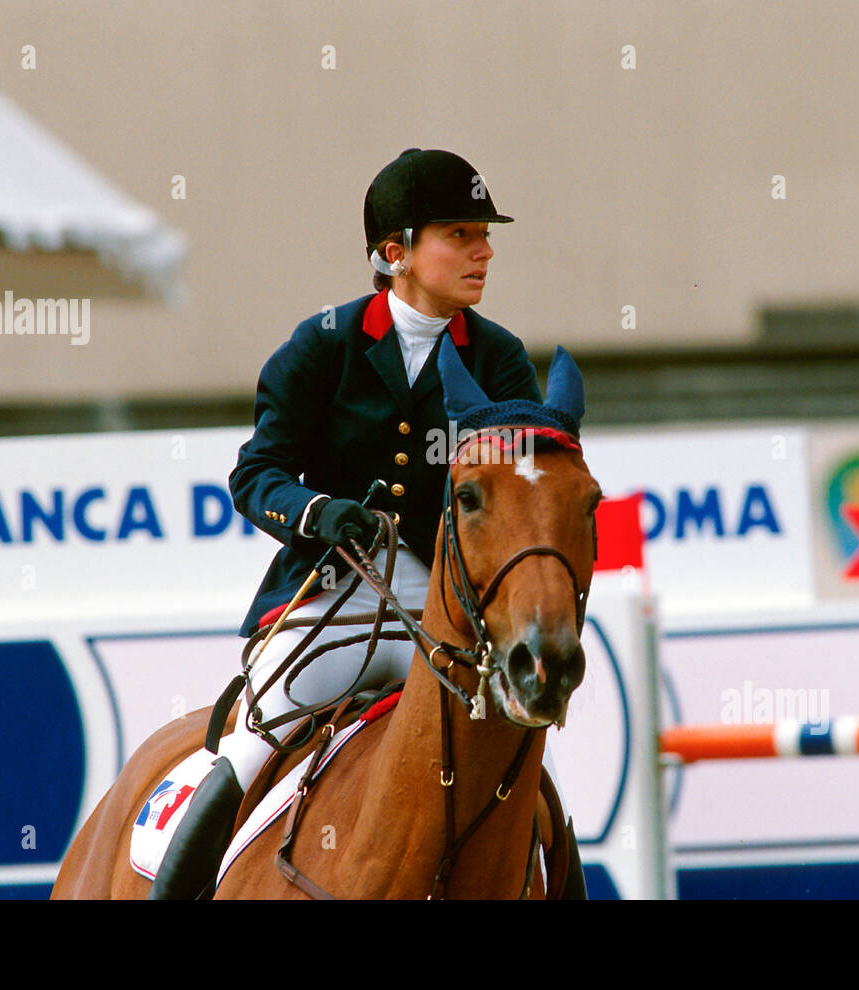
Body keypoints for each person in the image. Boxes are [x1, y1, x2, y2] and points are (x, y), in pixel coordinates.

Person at [149, 148, 582, 899]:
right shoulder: (324, 345)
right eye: (460, 233)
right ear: (396, 252)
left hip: (448, 614)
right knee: (246, 749)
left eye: (485, 233)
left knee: (533, 785)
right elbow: (256, 474)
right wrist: (318, 512)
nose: (484, 250)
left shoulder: (500, 358)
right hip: (335, 602)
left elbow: (518, 489)